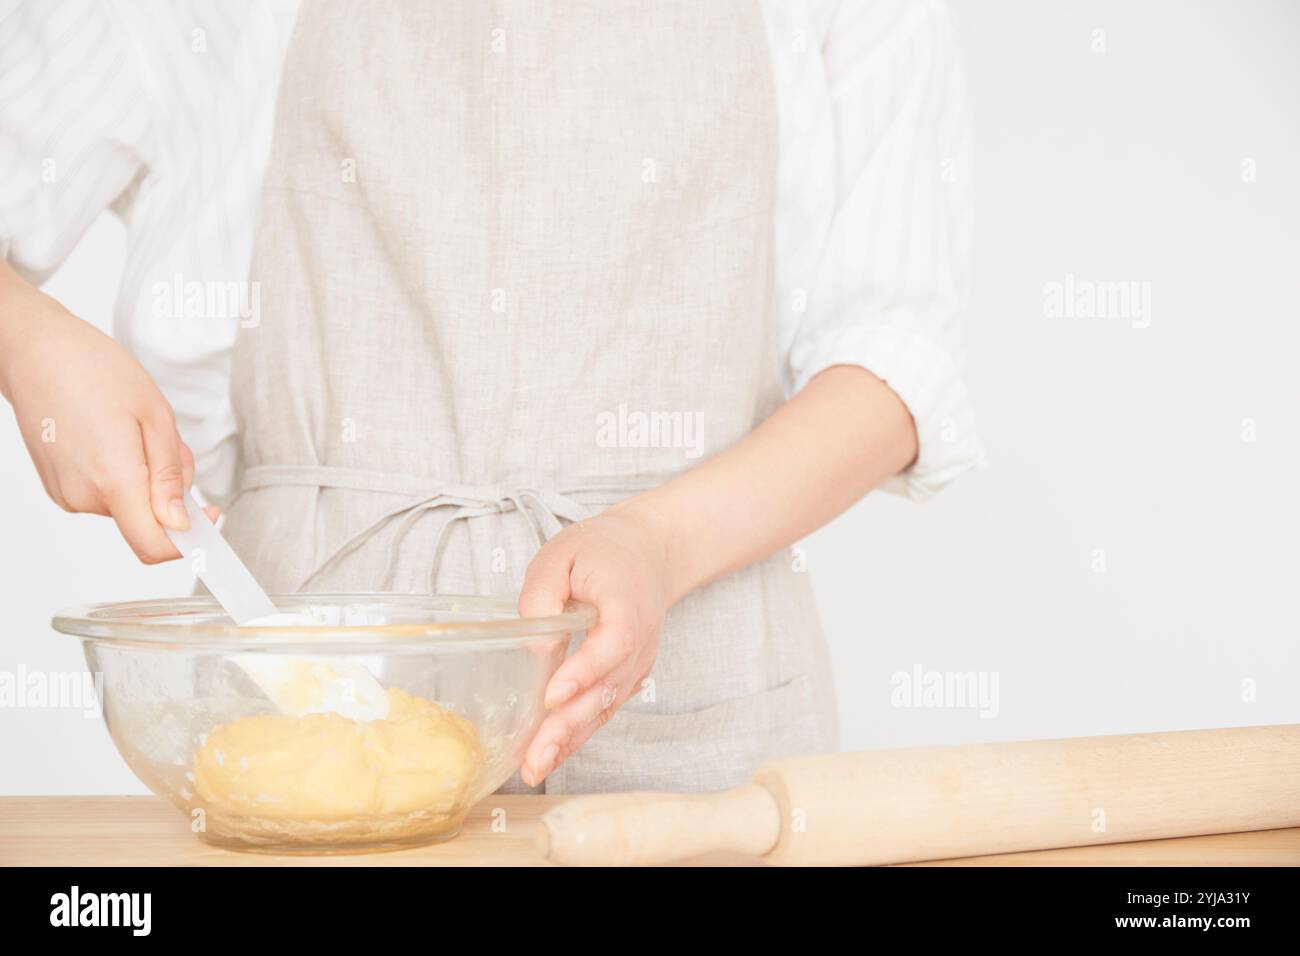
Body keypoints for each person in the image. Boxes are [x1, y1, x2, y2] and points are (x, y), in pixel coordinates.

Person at [0, 0, 984, 793]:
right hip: (307, 698)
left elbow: (893, 370)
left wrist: (655, 543)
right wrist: (31, 340)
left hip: (702, 703)